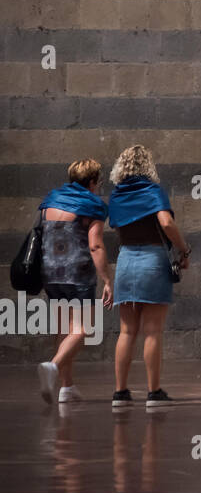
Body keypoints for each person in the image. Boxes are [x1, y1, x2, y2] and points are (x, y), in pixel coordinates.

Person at [107, 145, 190, 408]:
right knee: (152, 331)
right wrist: (183, 248)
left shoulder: (117, 195)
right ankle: (154, 392)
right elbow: (166, 223)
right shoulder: (154, 191)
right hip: (152, 261)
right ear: (148, 166)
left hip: (125, 261)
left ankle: (120, 392)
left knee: (126, 331)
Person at [35, 159, 111, 403]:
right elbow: (96, 244)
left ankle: (66, 387)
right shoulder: (92, 204)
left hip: (51, 274)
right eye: (98, 181)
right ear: (91, 182)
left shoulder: (50, 200)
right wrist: (107, 279)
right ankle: (53, 366)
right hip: (77, 275)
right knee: (83, 329)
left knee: (63, 330)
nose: (98, 186)